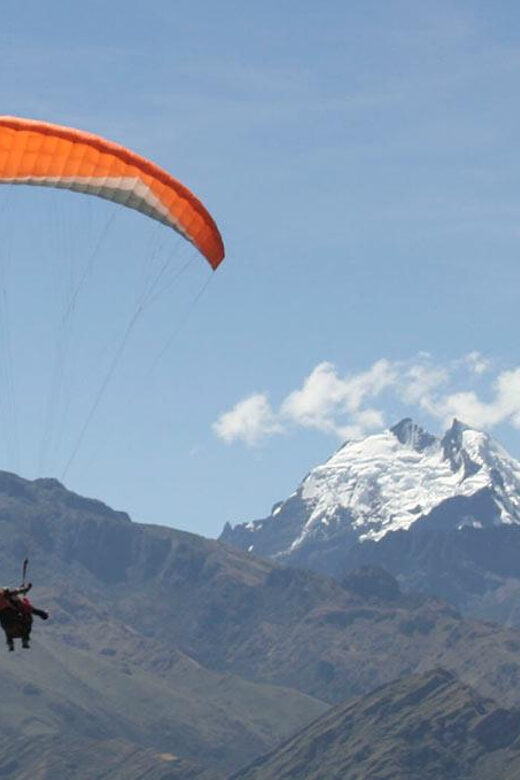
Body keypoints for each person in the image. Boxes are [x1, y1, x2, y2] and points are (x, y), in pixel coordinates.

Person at [0, 584, 48, 651]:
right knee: (27, 620)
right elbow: (32, 610)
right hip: (16, 619)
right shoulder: (12, 596)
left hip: (4, 623)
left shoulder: (2, 599)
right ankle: (25, 641)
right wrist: (44, 615)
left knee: (6, 628)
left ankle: (10, 644)